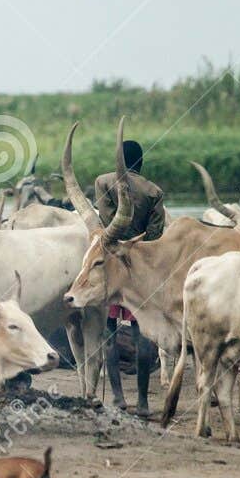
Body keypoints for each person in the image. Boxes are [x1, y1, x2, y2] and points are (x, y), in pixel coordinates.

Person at [90, 138, 163, 415]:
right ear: (141, 162)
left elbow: (106, 223)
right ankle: (143, 402)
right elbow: (156, 236)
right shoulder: (153, 191)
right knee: (141, 333)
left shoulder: (103, 182)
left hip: (110, 265)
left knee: (108, 330)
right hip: (139, 267)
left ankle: (118, 398)